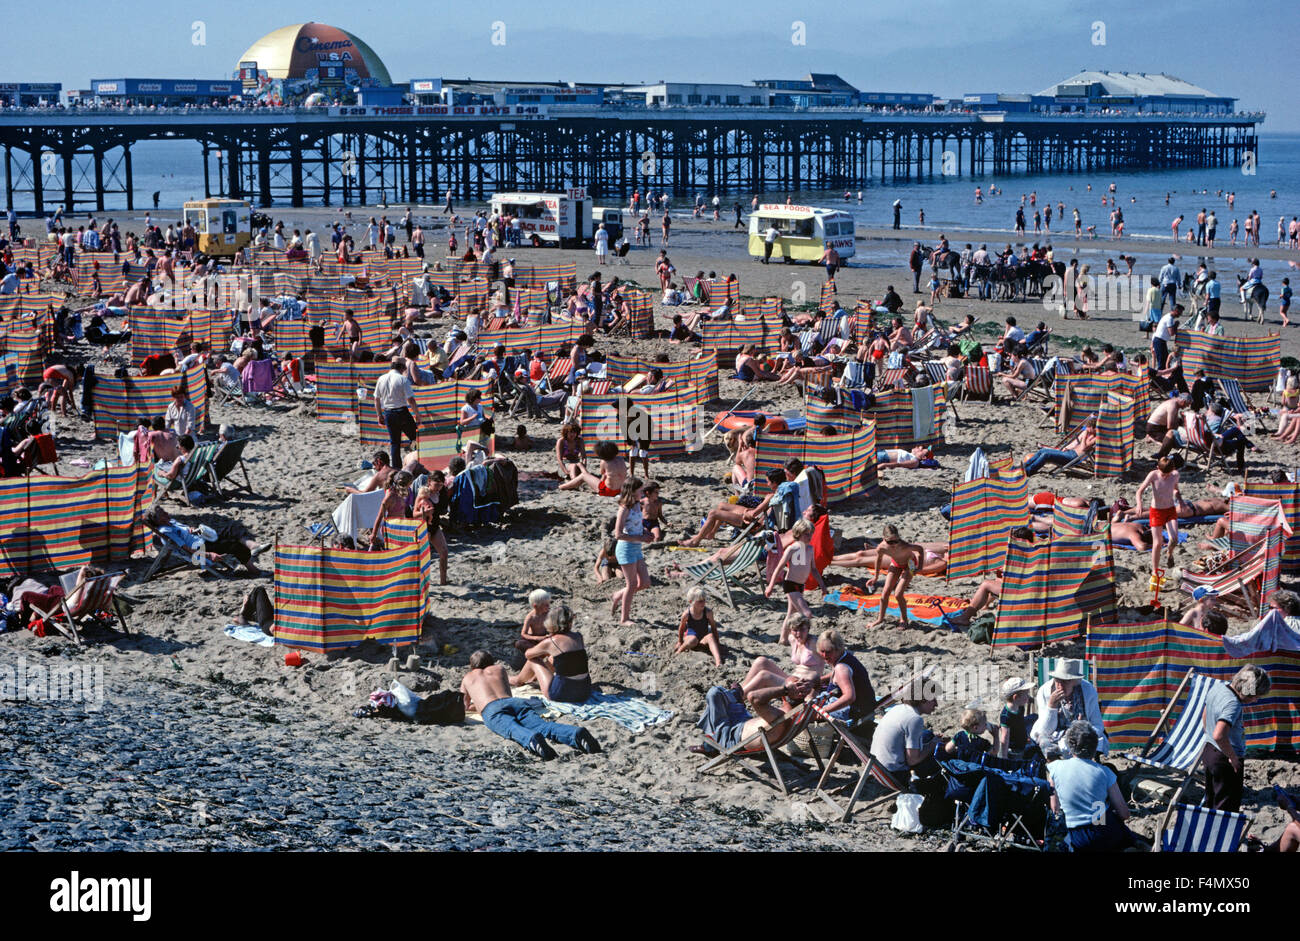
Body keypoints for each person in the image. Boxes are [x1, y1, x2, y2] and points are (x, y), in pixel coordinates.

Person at [461, 651, 600, 760]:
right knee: (543, 726)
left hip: (492, 708)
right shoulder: (499, 669)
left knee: (512, 728)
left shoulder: (467, 678)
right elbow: (505, 693)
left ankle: (531, 740)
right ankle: (574, 733)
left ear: (472, 666)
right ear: (491, 662)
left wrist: (478, 705)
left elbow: (464, 706)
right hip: (514, 702)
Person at [1047, 721, 1140, 852]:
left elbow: (1055, 808)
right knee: (1104, 811)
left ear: (1070, 745)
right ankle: (1131, 844)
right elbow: (1124, 814)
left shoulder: (1055, 768)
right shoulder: (1104, 772)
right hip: (1101, 832)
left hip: (1073, 834)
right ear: (1095, 746)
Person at [1201, 663, 1272, 812]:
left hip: (1209, 751)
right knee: (1226, 806)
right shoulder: (1233, 704)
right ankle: (1221, 835)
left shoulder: (1218, 688)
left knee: (1211, 800)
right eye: (1256, 696)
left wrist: (1209, 735)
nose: (1256, 700)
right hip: (1224, 758)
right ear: (1248, 690)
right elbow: (1219, 735)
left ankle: (1207, 833)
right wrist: (1232, 757)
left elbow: (1206, 713)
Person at [510, 601, 591, 703]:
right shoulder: (579, 636)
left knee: (534, 660)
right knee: (555, 658)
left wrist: (543, 648)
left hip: (561, 694)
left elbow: (528, 654)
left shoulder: (551, 641)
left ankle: (518, 680)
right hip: (584, 692)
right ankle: (532, 679)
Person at [1030, 659, 1108, 759]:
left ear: (1075, 681)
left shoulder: (1088, 691)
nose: (1060, 686)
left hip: (1082, 735)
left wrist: (1082, 728)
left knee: (1094, 741)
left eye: (1065, 682)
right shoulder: (1044, 692)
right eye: (1057, 681)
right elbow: (1045, 730)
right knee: (1043, 741)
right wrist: (1051, 707)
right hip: (1054, 734)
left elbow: (1097, 724)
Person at [764, 519, 823, 640]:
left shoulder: (810, 549)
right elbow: (778, 568)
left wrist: (823, 586)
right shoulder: (792, 549)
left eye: (811, 533)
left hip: (800, 585)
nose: (810, 536)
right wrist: (770, 586)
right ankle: (806, 640)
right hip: (790, 584)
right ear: (799, 533)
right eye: (806, 534)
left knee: (790, 614)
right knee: (807, 614)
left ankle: (783, 640)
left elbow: (814, 570)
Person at [870, 690, 939, 786]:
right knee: (944, 758)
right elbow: (913, 760)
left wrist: (932, 742)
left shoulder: (898, 708)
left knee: (928, 735)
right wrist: (933, 744)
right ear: (923, 700)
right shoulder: (915, 719)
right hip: (895, 775)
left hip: (877, 767)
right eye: (933, 699)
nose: (936, 704)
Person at [864, 524, 924, 628]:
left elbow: (920, 550)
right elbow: (878, 560)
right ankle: (880, 619)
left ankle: (904, 619)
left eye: (896, 541)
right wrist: (876, 577)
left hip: (910, 564)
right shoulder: (881, 548)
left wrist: (920, 567)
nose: (893, 544)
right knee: (885, 593)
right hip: (896, 564)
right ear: (884, 539)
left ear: (899, 538)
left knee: (898, 594)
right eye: (890, 542)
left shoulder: (905, 546)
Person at [608, 477, 651, 626]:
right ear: (632, 492)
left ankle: (618, 594)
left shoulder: (637, 504)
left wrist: (646, 532)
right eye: (640, 490)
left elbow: (638, 524)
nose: (643, 492)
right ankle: (624, 618)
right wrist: (640, 537)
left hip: (637, 547)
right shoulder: (624, 509)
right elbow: (618, 534)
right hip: (626, 548)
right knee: (631, 584)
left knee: (645, 582)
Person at [815, 629, 875, 723]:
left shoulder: (841, 668)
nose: (825, 655)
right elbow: (839, 676)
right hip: (867, 705)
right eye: (822, 651)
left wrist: (825, 710)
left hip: (855, 711)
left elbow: (850, 697)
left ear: (838, 649)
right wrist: (821, 679)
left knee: (809, 712)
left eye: (828, 651)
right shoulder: (846, 657)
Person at [1135, 456, 1181, 580]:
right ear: (1157, 468)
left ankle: (1169, 554)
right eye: (1163, 474)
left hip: (1170, 509)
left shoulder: (1175, 475)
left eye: (1168, 474)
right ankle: (1155, 571)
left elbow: (1175, 489)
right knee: (1158, 542)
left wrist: (1180, 499)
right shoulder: (1153, 475)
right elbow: (1139, 491)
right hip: (1156, 511)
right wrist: (1139, 504)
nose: (1166, 476)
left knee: (1174, 539)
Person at [373, 357, 420, 467]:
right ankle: (418, 460)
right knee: (416, 438)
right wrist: (417, 414)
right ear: (402, 367)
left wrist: (379, 414)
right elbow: (411, 400)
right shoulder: (402, 379)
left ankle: (397, 468)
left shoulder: (381, 378)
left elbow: (376, 399)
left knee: (395, 443)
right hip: (402, 412)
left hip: (388, 413)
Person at [411, 472, 450, 584]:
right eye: (436, 485)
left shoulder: (442, 493)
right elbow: (414, 514)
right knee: (423, 557)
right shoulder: (423, 494)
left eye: (441, 485)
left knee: (444, 552)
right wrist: (425, 512)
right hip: (423, 528)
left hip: (435, 526)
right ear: (429, 481)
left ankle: (443, 581)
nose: (438, 488)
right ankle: (419, 582)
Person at [1023, 416, 1096, 476]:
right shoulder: (1087, 432)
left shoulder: (1095, 438)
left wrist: (1085, 435)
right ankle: (1024, 466)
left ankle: (1028, 471)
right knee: (1042, 450)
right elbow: (1075, 443)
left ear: (1094, 428)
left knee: (1046, 455)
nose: (1087, 429)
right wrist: (1066, 447)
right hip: (1069, 452)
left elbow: (1083, 447)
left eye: (1089, 427)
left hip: (1073, 457)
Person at [674, 586, 725, 666]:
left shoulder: (708, 612)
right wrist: (680, 641)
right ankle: (680, 650)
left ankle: (718, 661)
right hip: (690, 637)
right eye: (700, 601)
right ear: (691, 601)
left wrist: (717, 643)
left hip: (702, 639)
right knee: (693, 640)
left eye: (704, 600)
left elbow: (713, 628)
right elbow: (681, 628)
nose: (703, 603)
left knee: (710, 636)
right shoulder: (687, 614)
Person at [558, 440, 626, 495]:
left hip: (607, 491)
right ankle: (580, 467)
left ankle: (562, 487)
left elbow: (603, 478)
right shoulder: (621, 459)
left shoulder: (604, 462)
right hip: (620, 490)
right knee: (585, 475)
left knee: (583, 476)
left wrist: (594, 483)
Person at [997, 677, 1035, 759]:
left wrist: (1025, 736)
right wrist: (1004, 757)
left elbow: (1021, 723)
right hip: (1013, 750)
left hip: (1022, 741)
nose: (1028, 696)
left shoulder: (1019, 706)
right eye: (1026, 694)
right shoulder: (1006, 716)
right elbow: (1004, 739)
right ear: (1016, 697)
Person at [515, 588, 551, 655]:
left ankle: (540, 652)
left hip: (546, 638)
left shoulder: (548, 614)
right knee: (519, 644)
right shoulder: (530, 617)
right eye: (546, 605)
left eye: (549, 603)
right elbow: (523, 634)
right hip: (534, 639)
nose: (549, 606)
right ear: (536, 606)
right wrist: (537, 638)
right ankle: (540, 652)